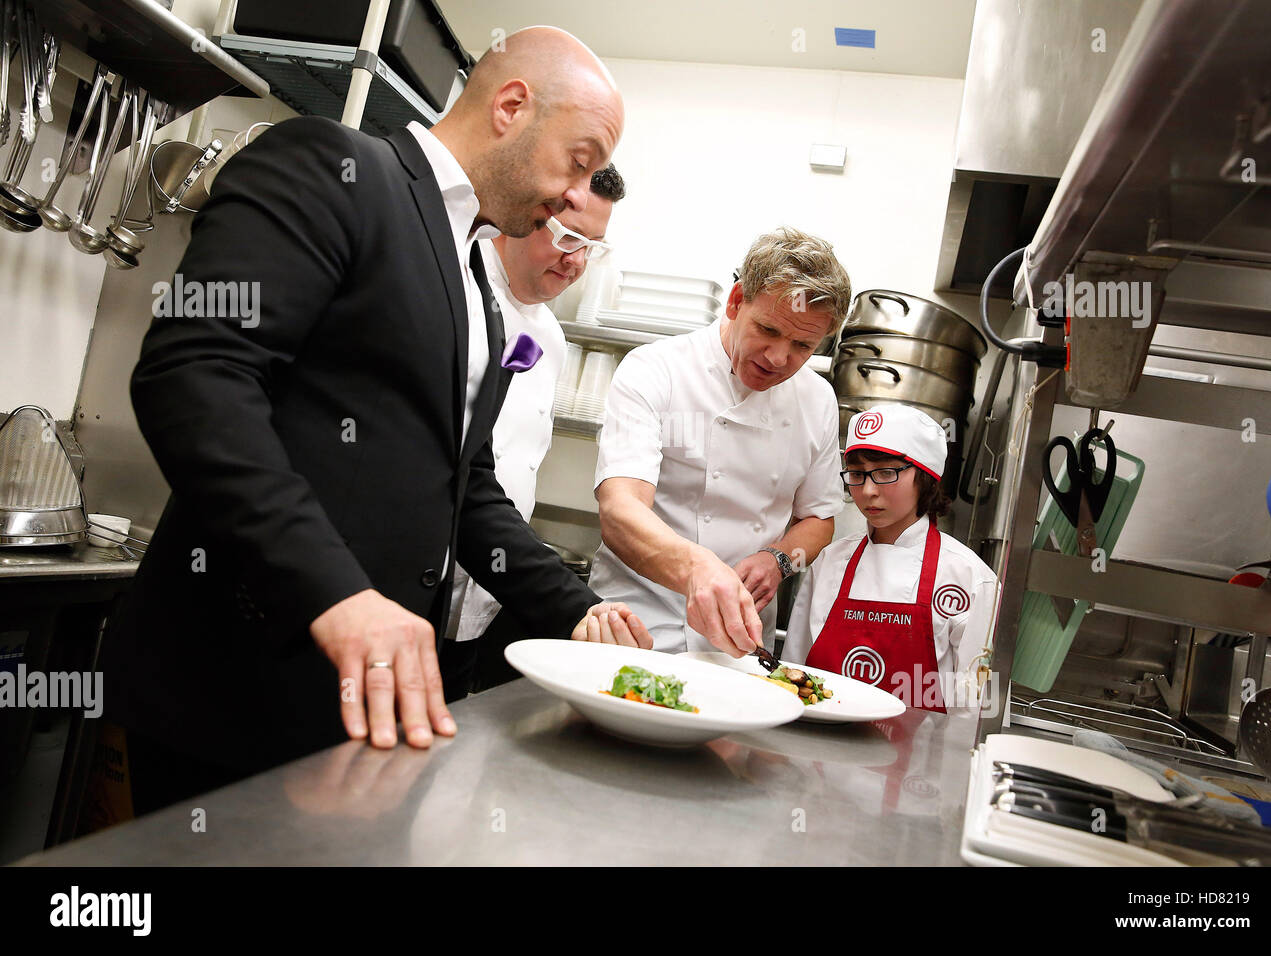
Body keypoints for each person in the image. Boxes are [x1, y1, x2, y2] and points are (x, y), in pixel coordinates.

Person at [102, 27, 649, 814]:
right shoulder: (333, 167)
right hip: (236, 686)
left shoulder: (478, 289)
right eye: (579, 159)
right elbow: (196, 375)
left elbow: (467, 490)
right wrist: (337, 596)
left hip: (365, 712)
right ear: (512, 106)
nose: (574, 194)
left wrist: (581, 611)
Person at [589, 227, 851, 656]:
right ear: (735, 302)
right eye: (767, 329)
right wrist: (700, 570)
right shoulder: (657, 370)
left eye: (803, 345)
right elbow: (620, 511)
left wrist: (779, 560)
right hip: (638, 623)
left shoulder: (817, 399)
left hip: (739, 638)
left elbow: (819, 520)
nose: (778, 358)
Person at [446, 164, 627, 690]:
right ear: (529, 213)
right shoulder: (457, 294)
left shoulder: (550, 334)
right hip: (413, 583)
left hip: (488, 594)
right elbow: (460, 474)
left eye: (593, 246)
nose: (577, 262)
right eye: (569, 237)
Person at [782, 404, 1000, 712]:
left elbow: (975, 711)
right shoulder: (830, 561)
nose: (868, 490)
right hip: (817, 749)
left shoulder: (970, 578)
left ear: (925, 477)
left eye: (886, 472)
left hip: (919, 757)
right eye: (857, 474)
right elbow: (794, 677)